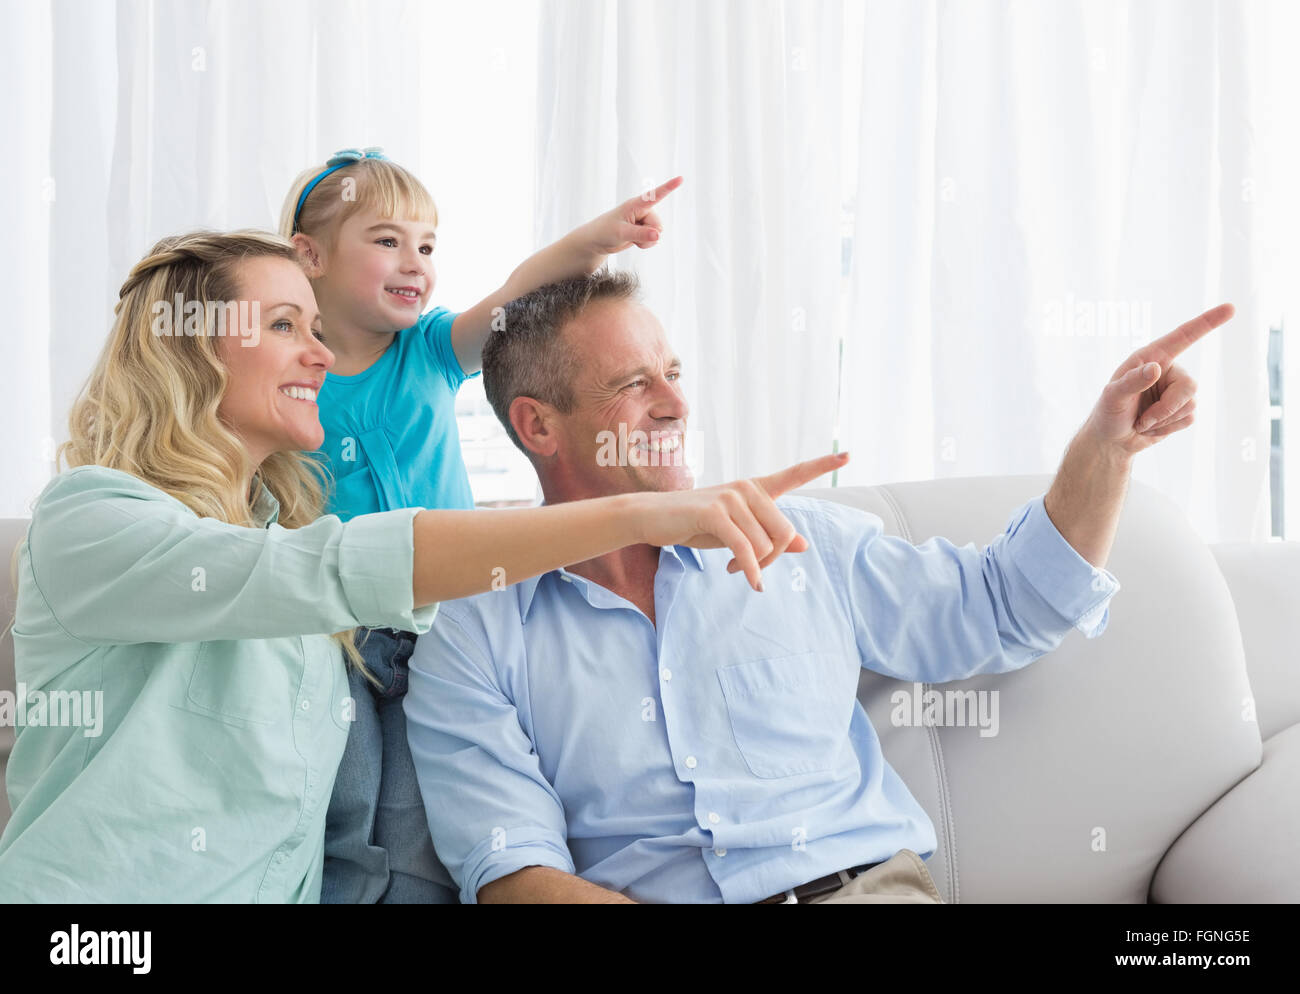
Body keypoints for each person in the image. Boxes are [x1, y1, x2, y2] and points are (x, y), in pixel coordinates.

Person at [0, 230, 843, 903]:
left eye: (319, 329)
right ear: (184, 348)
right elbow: (328, 567)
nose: (322, 355)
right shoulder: (91, 520)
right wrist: (647, 509)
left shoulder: (307, 590)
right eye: (284, 326)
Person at [404, 269, 1234, 904]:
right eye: (633, 385)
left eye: (674, 372)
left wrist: (1106, 448)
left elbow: (1008, 605)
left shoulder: (804, 544)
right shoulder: (472, 631)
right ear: (537, 425)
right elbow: (516, 877)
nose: (676, 404)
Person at [279, 145, 684, 903]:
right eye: (387, 240)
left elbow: (512, 293)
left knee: (413, 816)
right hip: (335, 640)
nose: (415, 262)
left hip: (440, 631)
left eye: (426, 246)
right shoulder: (292, 378)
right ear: (310, 255)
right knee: (343, 799)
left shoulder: (430, 350)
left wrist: (594, 242)